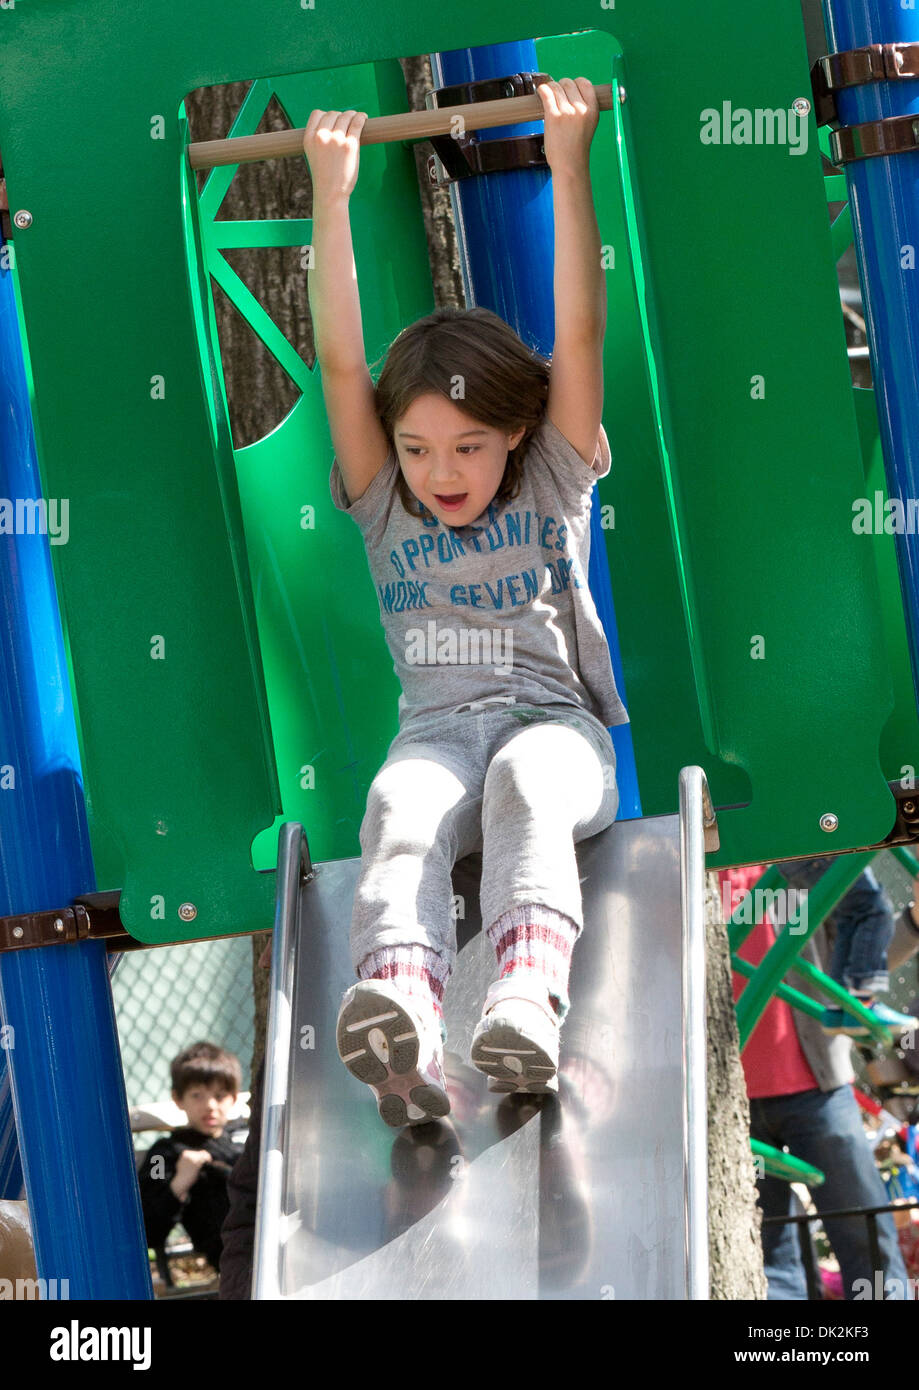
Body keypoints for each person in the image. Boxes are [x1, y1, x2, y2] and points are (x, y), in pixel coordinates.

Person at [302, 77, 627, 1128]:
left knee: (528, 782)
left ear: (515, 436)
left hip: (553, 727)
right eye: (418, 447)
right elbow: (343, 361)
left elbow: (576, 340)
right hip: (436, 733)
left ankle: (525, 998)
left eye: (468, 447)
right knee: (396, 810)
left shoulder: (550, 478)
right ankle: (399, 1001)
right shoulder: (384, 504)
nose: (442, 471)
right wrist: (330, 196)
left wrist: (568, 166)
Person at [723, 863, 911, 1300]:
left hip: (819, 1090)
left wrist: (914, 921)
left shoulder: (795, 862)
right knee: (766, 1254)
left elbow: (862, 946)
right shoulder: (691, 868)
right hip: (732, 1106)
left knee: (867, 1238)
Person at [137, 1041, 247, 1274]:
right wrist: (178, 1184)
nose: (210, 1105)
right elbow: (147, 1227)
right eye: (197, 1095)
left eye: (220, 1095)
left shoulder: (246, 1136)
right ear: (178, 1098)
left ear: (234, 1098)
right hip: (233, 1254)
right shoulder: (164, 1155)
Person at [776, 857, 915, 1037]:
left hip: (799, 858)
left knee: (850, 919)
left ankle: (839, 1006)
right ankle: (861, 1001)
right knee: (874, 911)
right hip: (820, 851)